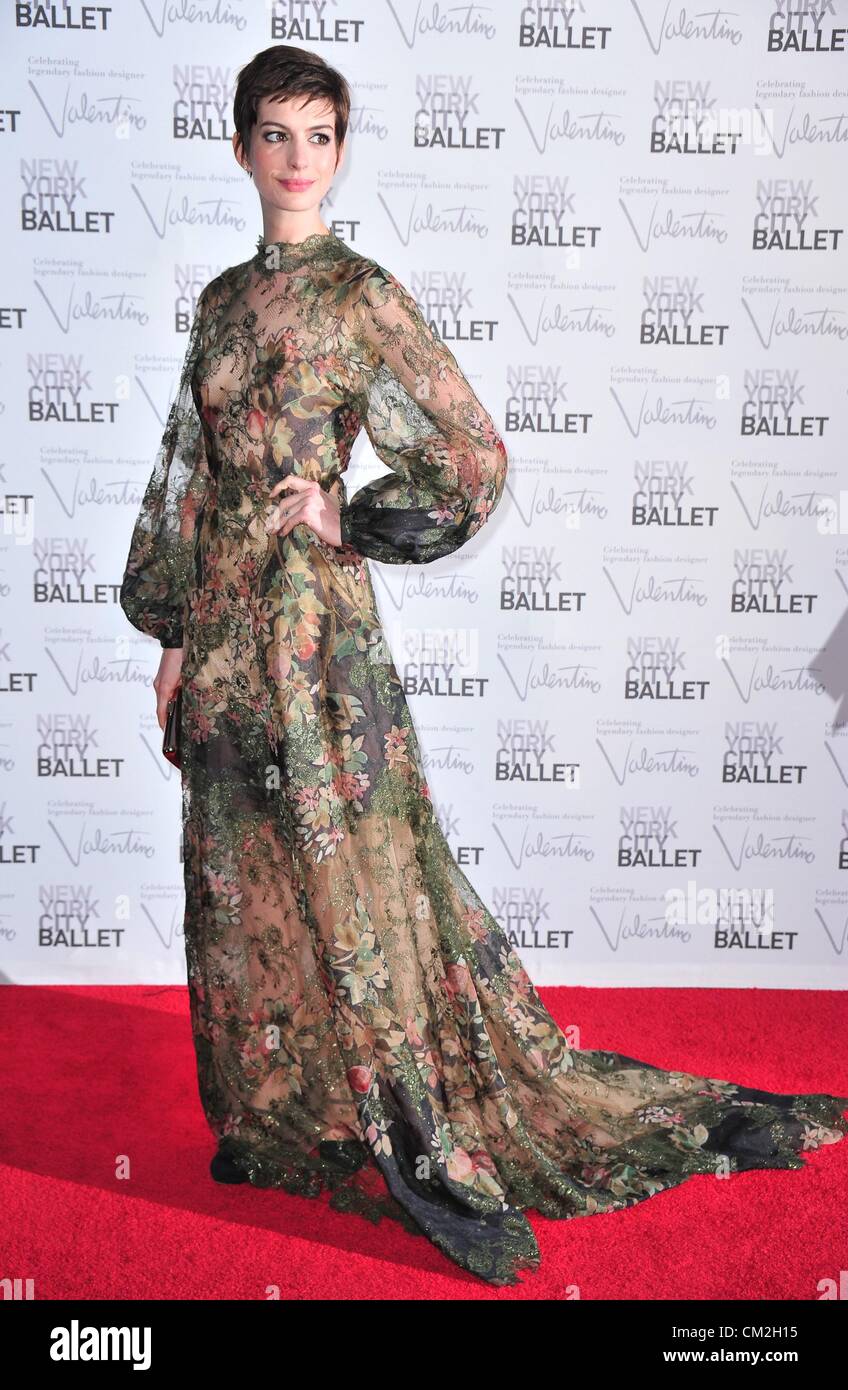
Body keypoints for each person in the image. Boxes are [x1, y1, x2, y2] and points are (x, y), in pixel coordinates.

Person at [119, 44, 848, 1287]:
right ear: (238, 147)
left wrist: (353, 518)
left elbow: (472, 452)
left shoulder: (361, 296)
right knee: (243, 877)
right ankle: (280, 1114)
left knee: (349, 890)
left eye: (320, 135)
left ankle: (414, 1140)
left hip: (314, 634)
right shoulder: (219, 305)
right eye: (276, 134)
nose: (298, 158)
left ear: (341, 151)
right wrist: (176, 638)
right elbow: (184, 476)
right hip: (230, 633)